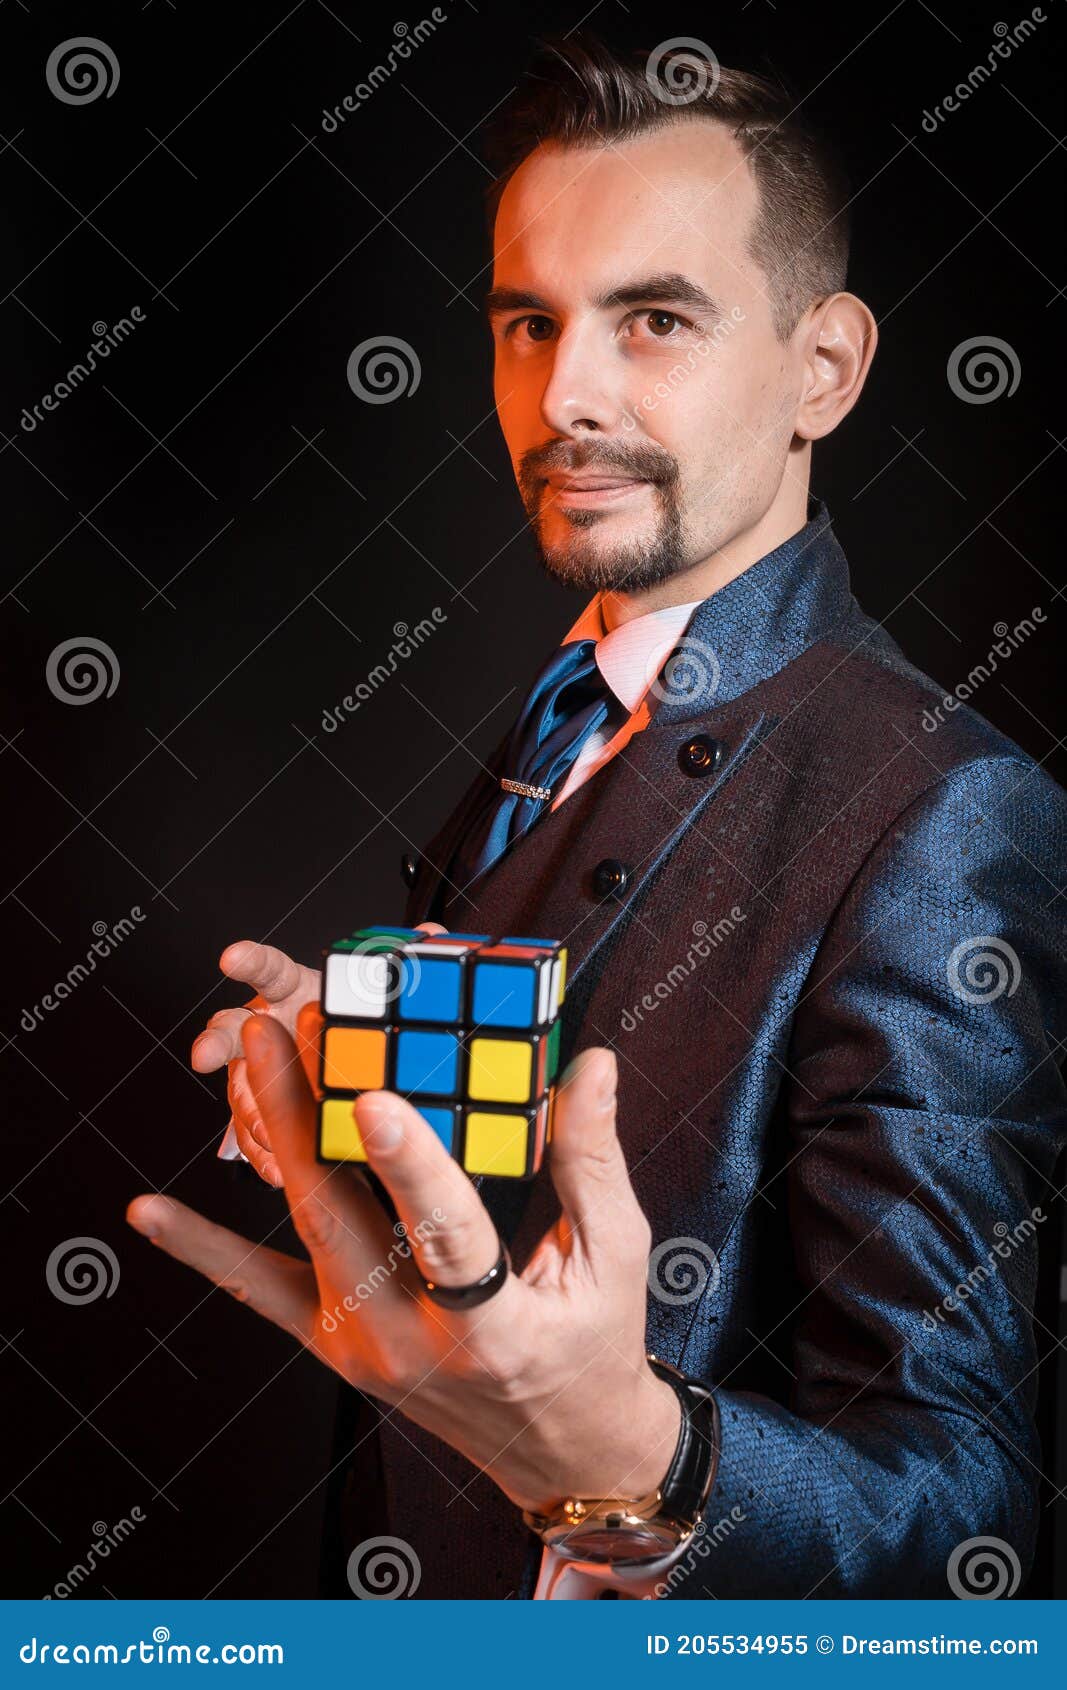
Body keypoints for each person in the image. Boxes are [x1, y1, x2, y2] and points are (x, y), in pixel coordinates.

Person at [127, 34, 1067, 1599]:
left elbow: (957, 1516)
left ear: (823, 369)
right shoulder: (562, 715)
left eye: (654, 320)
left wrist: (639, 1464)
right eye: (528, 323)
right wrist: (371, 1056)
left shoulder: (946, 808)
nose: (564, 393)